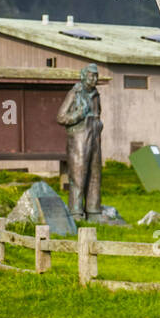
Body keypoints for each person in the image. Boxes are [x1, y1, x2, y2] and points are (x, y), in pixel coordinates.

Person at [56, 64, 103, 220]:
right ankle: (76, 211)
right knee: (79, 173)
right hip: (78, 136)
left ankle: (93, 210)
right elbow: (61, 117)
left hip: (95, 136)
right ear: (83, 76)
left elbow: (98, 112)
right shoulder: (75, 93)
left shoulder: (96, 94)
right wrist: (78, 114)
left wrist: (99, 124)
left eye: (96, 76)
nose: (94, 79)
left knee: (95, 173)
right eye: (91, 75)